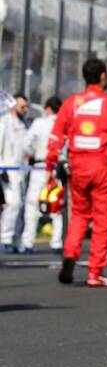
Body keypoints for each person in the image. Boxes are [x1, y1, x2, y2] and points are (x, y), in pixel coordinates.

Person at [45, 59, 107, 287]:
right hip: (102, 166)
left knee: (78, 214)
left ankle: (70, 255)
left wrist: (50, 168)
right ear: (103, 77)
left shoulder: (71, 103)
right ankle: (94, 272)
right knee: (102, 218)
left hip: (77, 165)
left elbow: (56, 139)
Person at [21, 95, 64, 254]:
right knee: (57, 205)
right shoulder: (64, 123)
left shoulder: (39, 123)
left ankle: (28, 242)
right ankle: (57, 243)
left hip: (40, 166)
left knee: (32, 204)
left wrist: (33, 154)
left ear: (47, 109)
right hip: (58, 169)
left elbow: (26, 144)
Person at [0, 92, 30, 252]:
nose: (25, 110)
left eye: (26, 107)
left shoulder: (24, 124)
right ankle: (5, 238)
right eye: (22, 106)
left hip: (22, 171)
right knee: (13, 204)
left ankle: (16, 240)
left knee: (22, 205)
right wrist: (1, 169)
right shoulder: (4, 123)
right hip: (8, 171)